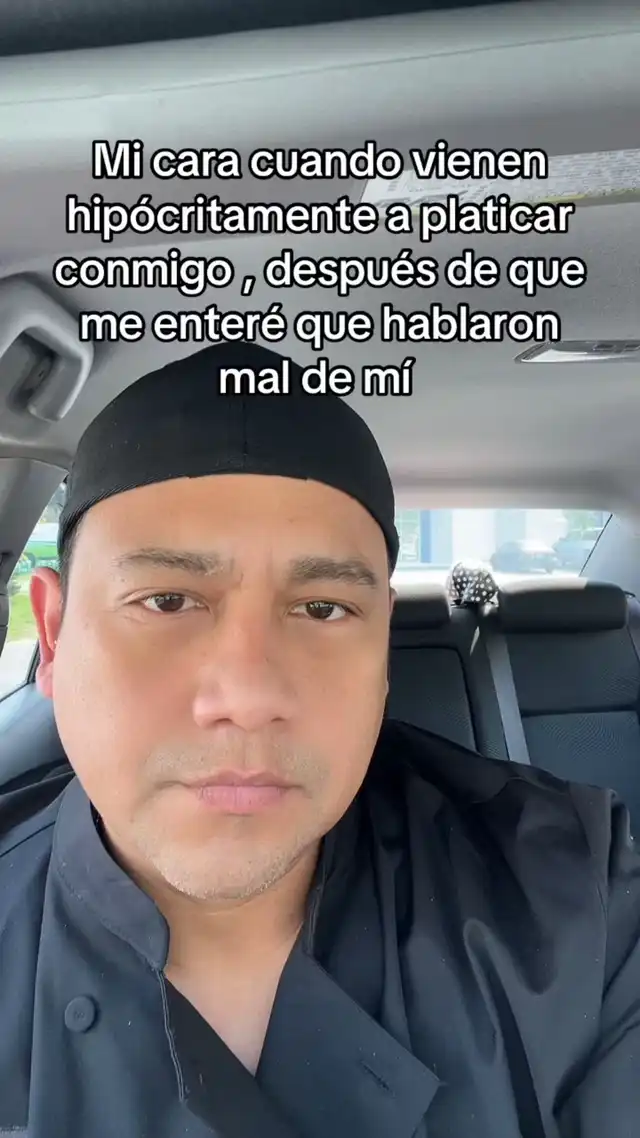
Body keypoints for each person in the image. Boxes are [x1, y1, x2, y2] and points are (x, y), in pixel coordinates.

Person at [0, 342, 638, 1138]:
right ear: (54, 636)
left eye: (323, 609)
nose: (247, 698)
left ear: (381, 657)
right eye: (166, 601)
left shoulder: (571, 900)